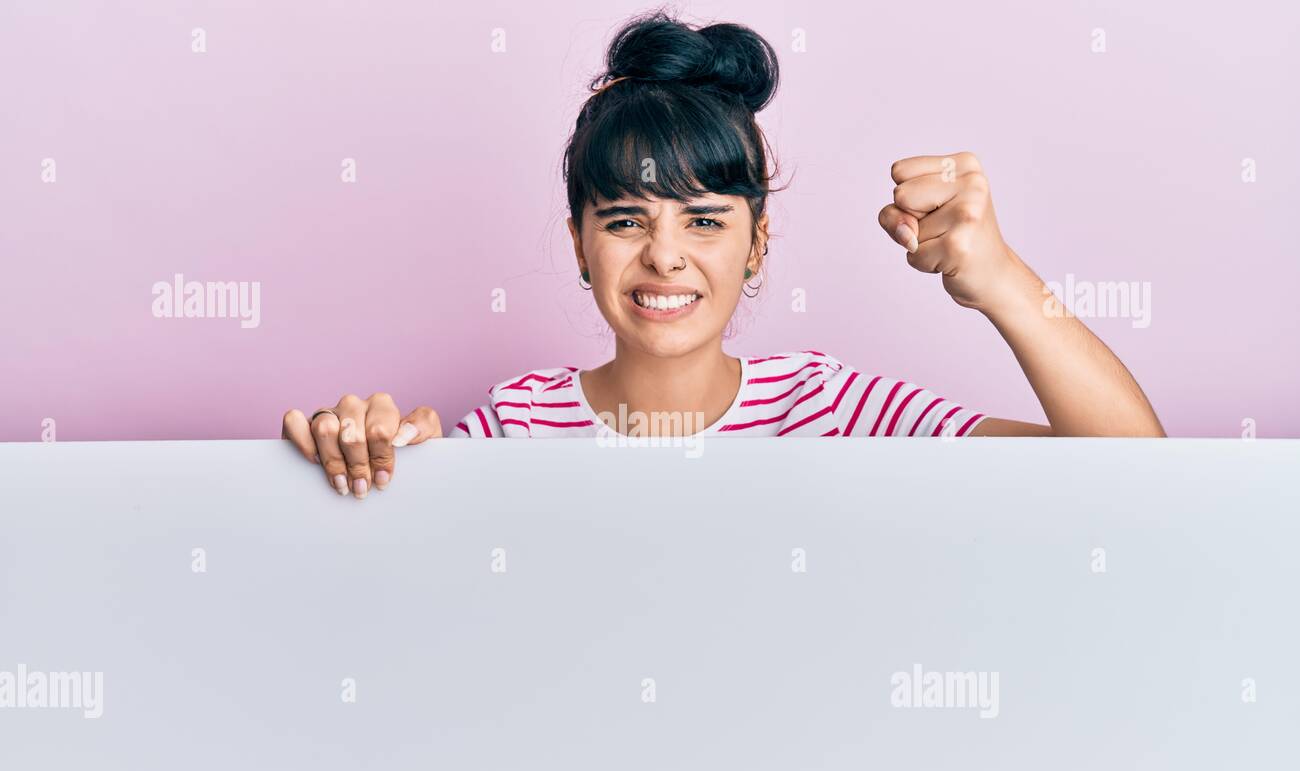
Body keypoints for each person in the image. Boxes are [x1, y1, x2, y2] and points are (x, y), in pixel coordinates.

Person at [281, 12, 1164, 499]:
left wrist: (1002, 282)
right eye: (625, 219)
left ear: (756, 244)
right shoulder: (518, 423)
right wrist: (357, 461)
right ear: (580, 246)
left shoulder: (831, 406)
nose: (664, 257)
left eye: (703, 220)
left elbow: (1139, 481)